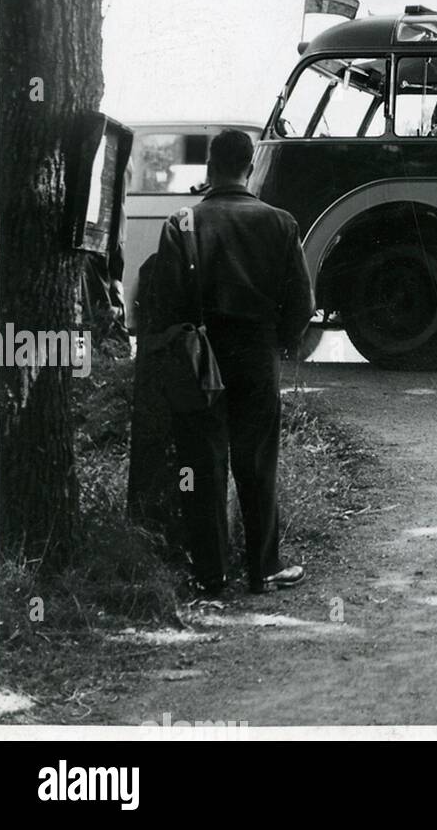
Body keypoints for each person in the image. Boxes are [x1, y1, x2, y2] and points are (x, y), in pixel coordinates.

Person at [148, 129, 314, 597]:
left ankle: (211, 573)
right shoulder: (281, 223)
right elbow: (302, 304)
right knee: (256, 461)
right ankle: (264, 569)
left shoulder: (182, 223)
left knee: (202, 463)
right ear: (250, 168)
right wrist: (278, 341)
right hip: (258, 352)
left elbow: (163, 302)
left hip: (200, 356)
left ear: (210, 168)